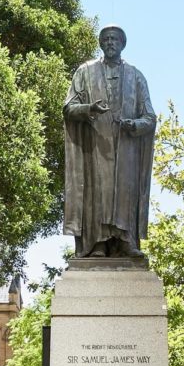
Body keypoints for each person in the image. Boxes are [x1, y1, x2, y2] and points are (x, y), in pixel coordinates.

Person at [63, 24, 156, 258]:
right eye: (105, 39)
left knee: (125, 192)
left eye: (115, 39)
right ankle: (98, 243)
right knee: (98, 193)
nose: (110, 42)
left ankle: (126, 240)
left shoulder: (136, 76)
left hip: (127, 149)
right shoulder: (85, 72)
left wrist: (134, 125)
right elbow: (69, 108)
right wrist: (88, 109)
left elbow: (150, 117)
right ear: (100, 44)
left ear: (122, 44)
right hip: (96, 148)